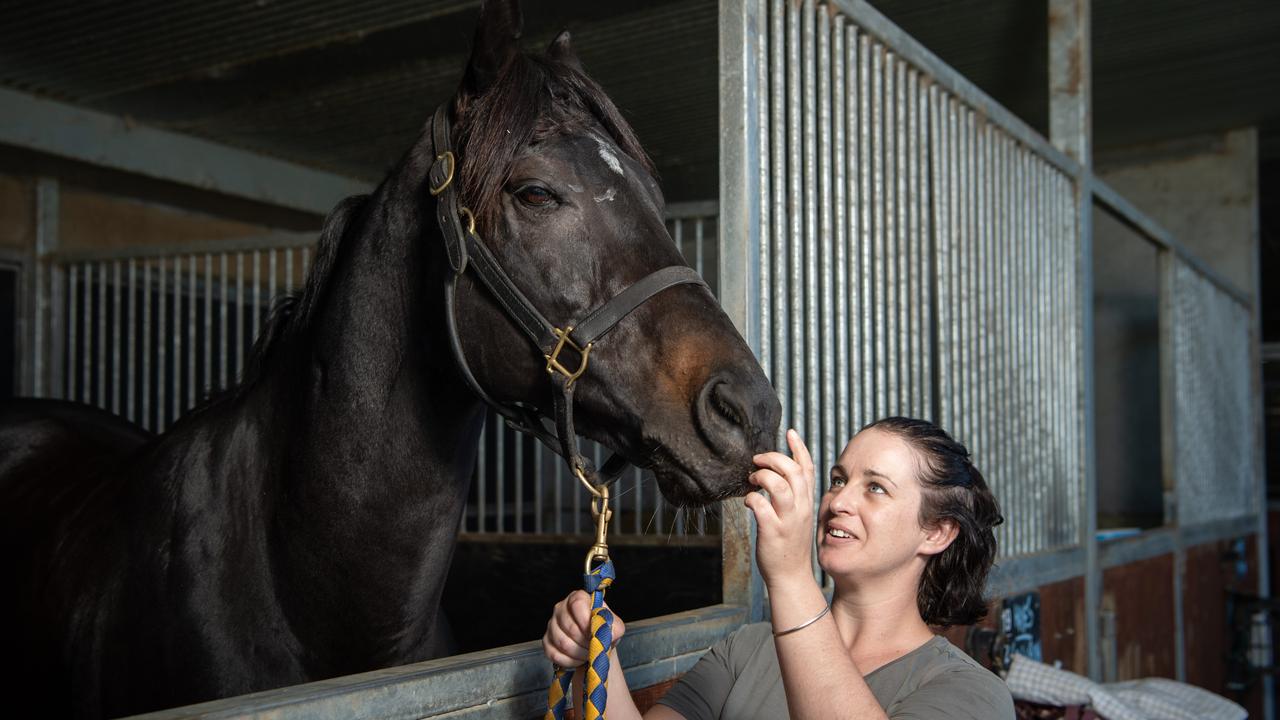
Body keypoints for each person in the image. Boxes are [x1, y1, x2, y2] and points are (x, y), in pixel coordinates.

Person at [542, 417, 1015, 719]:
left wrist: (790, 576)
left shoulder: (971, 695)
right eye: (838, 479)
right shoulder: (747, 650)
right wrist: (596, 658)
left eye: (876, 489)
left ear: (936, 532)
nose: (838, 501)